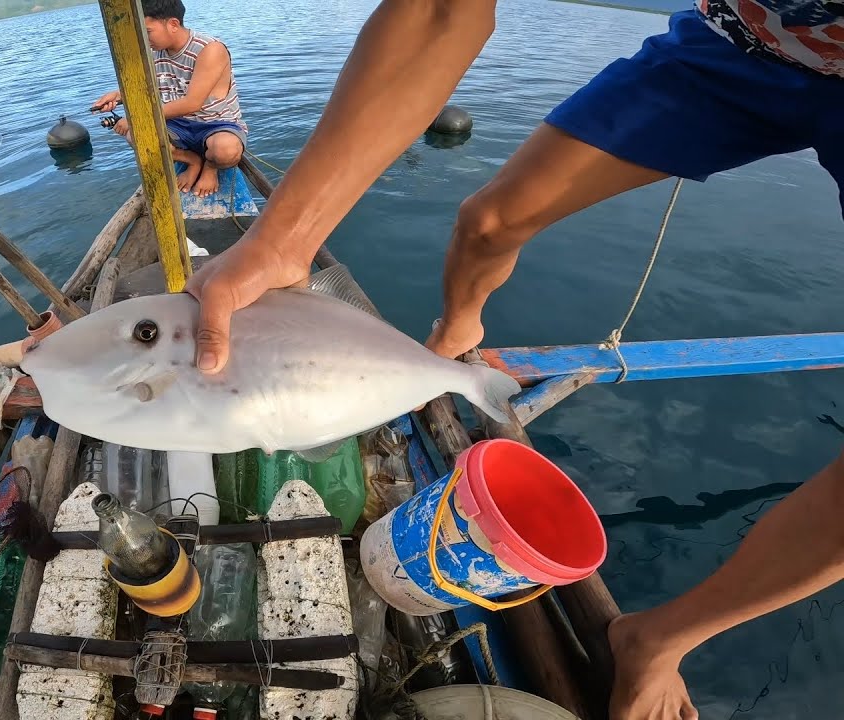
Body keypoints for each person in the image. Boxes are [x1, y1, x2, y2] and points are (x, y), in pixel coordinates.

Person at [182, 1, 844, 719]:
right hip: (738, 44)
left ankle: (658, 640)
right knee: (489, 220)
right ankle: (455, 338)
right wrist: (285, 239)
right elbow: (440, 9)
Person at [92, 0, 248, 198]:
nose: (144, 38)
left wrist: (134, 118)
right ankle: (191, 160)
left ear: (173, 24)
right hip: (177, 126)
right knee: (135, 137)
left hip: (215, 124)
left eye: (147, 31)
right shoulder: (154, 53)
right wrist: (117, 96)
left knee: (225, 151)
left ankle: (209, 167)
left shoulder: (209, 49)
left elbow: (192, 104)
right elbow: (147, 89)